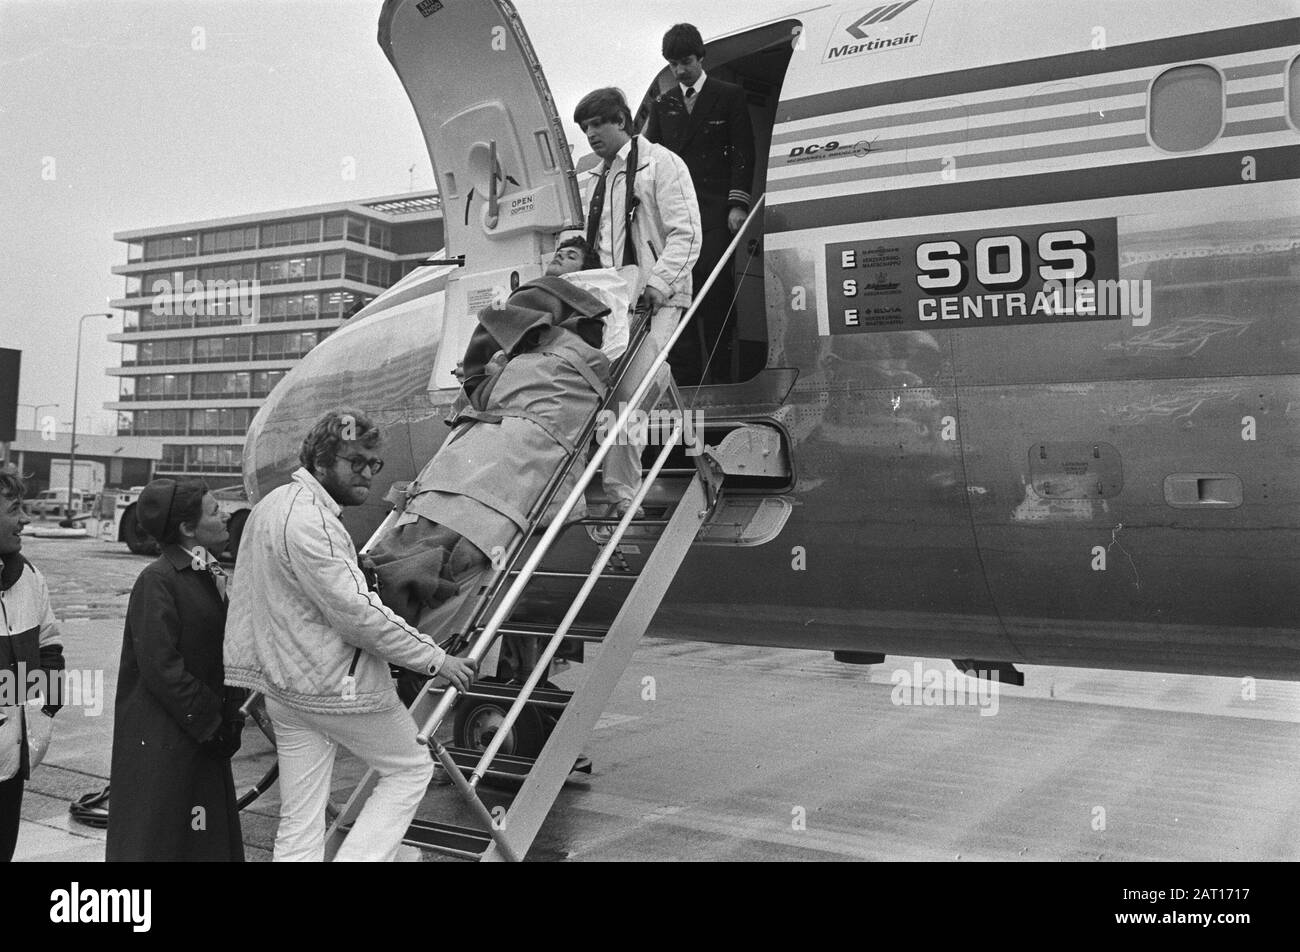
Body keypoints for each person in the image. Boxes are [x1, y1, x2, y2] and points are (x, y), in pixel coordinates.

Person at [223, 408, 477, 862]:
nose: (367, 473)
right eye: (354, 461)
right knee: (409, 769)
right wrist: (435, 659)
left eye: (373, 463)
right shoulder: (315, 521)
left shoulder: (272, 506)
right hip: (335, 687)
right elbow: (358, 615)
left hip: (283, 687)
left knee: (300, 817)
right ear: (320, 462)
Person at [370, 236, 621, 640]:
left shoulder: (542, 333)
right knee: (448, 550)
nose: (559, 258)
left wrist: (487, 374)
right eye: (557, 253)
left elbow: (484, 371)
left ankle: (382, 610)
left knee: (431, 546)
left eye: (571, 255)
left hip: (487, 460)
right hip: (501, 466)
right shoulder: (562, 354)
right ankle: (393, 616)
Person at [574, 85, 702, 523]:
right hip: (610, 302)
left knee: (632, 391)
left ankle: (623, 492)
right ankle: (588, 490)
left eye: (597, 124)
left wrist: (660, 283)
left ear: (621, 122)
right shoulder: (591, 180)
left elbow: (687, 234)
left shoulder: (660, 164)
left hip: (655, 297)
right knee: (594, 391)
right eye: (585, 127)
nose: (591, 134)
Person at [106, 478, 246, 862]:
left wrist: (230, 716)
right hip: (169, 743)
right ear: (187, 528)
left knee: (196, 842)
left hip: (195, 736)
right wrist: (212, 722)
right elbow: (162, 668)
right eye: (215, 511)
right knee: (166, 843)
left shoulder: (205, 573)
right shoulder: (158, 581)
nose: (227, 517)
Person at [644, 22, 756, 385]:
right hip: (679, 219)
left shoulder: (729, 95)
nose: (680, 70)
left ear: (701, 57)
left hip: (715, 214)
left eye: (686, 61)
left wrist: (737, 205)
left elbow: (743, 152)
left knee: (717, 294)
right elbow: (651, 159)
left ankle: (722, 378)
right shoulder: (663, 106)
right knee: (681, 297)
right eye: (674, 64)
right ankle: (690, 382)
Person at [0, 472, 64, 862]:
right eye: (13, 510)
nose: (25, 519)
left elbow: (50, 646)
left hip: (11, 762)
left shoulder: (30, 577)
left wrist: (44, 710)